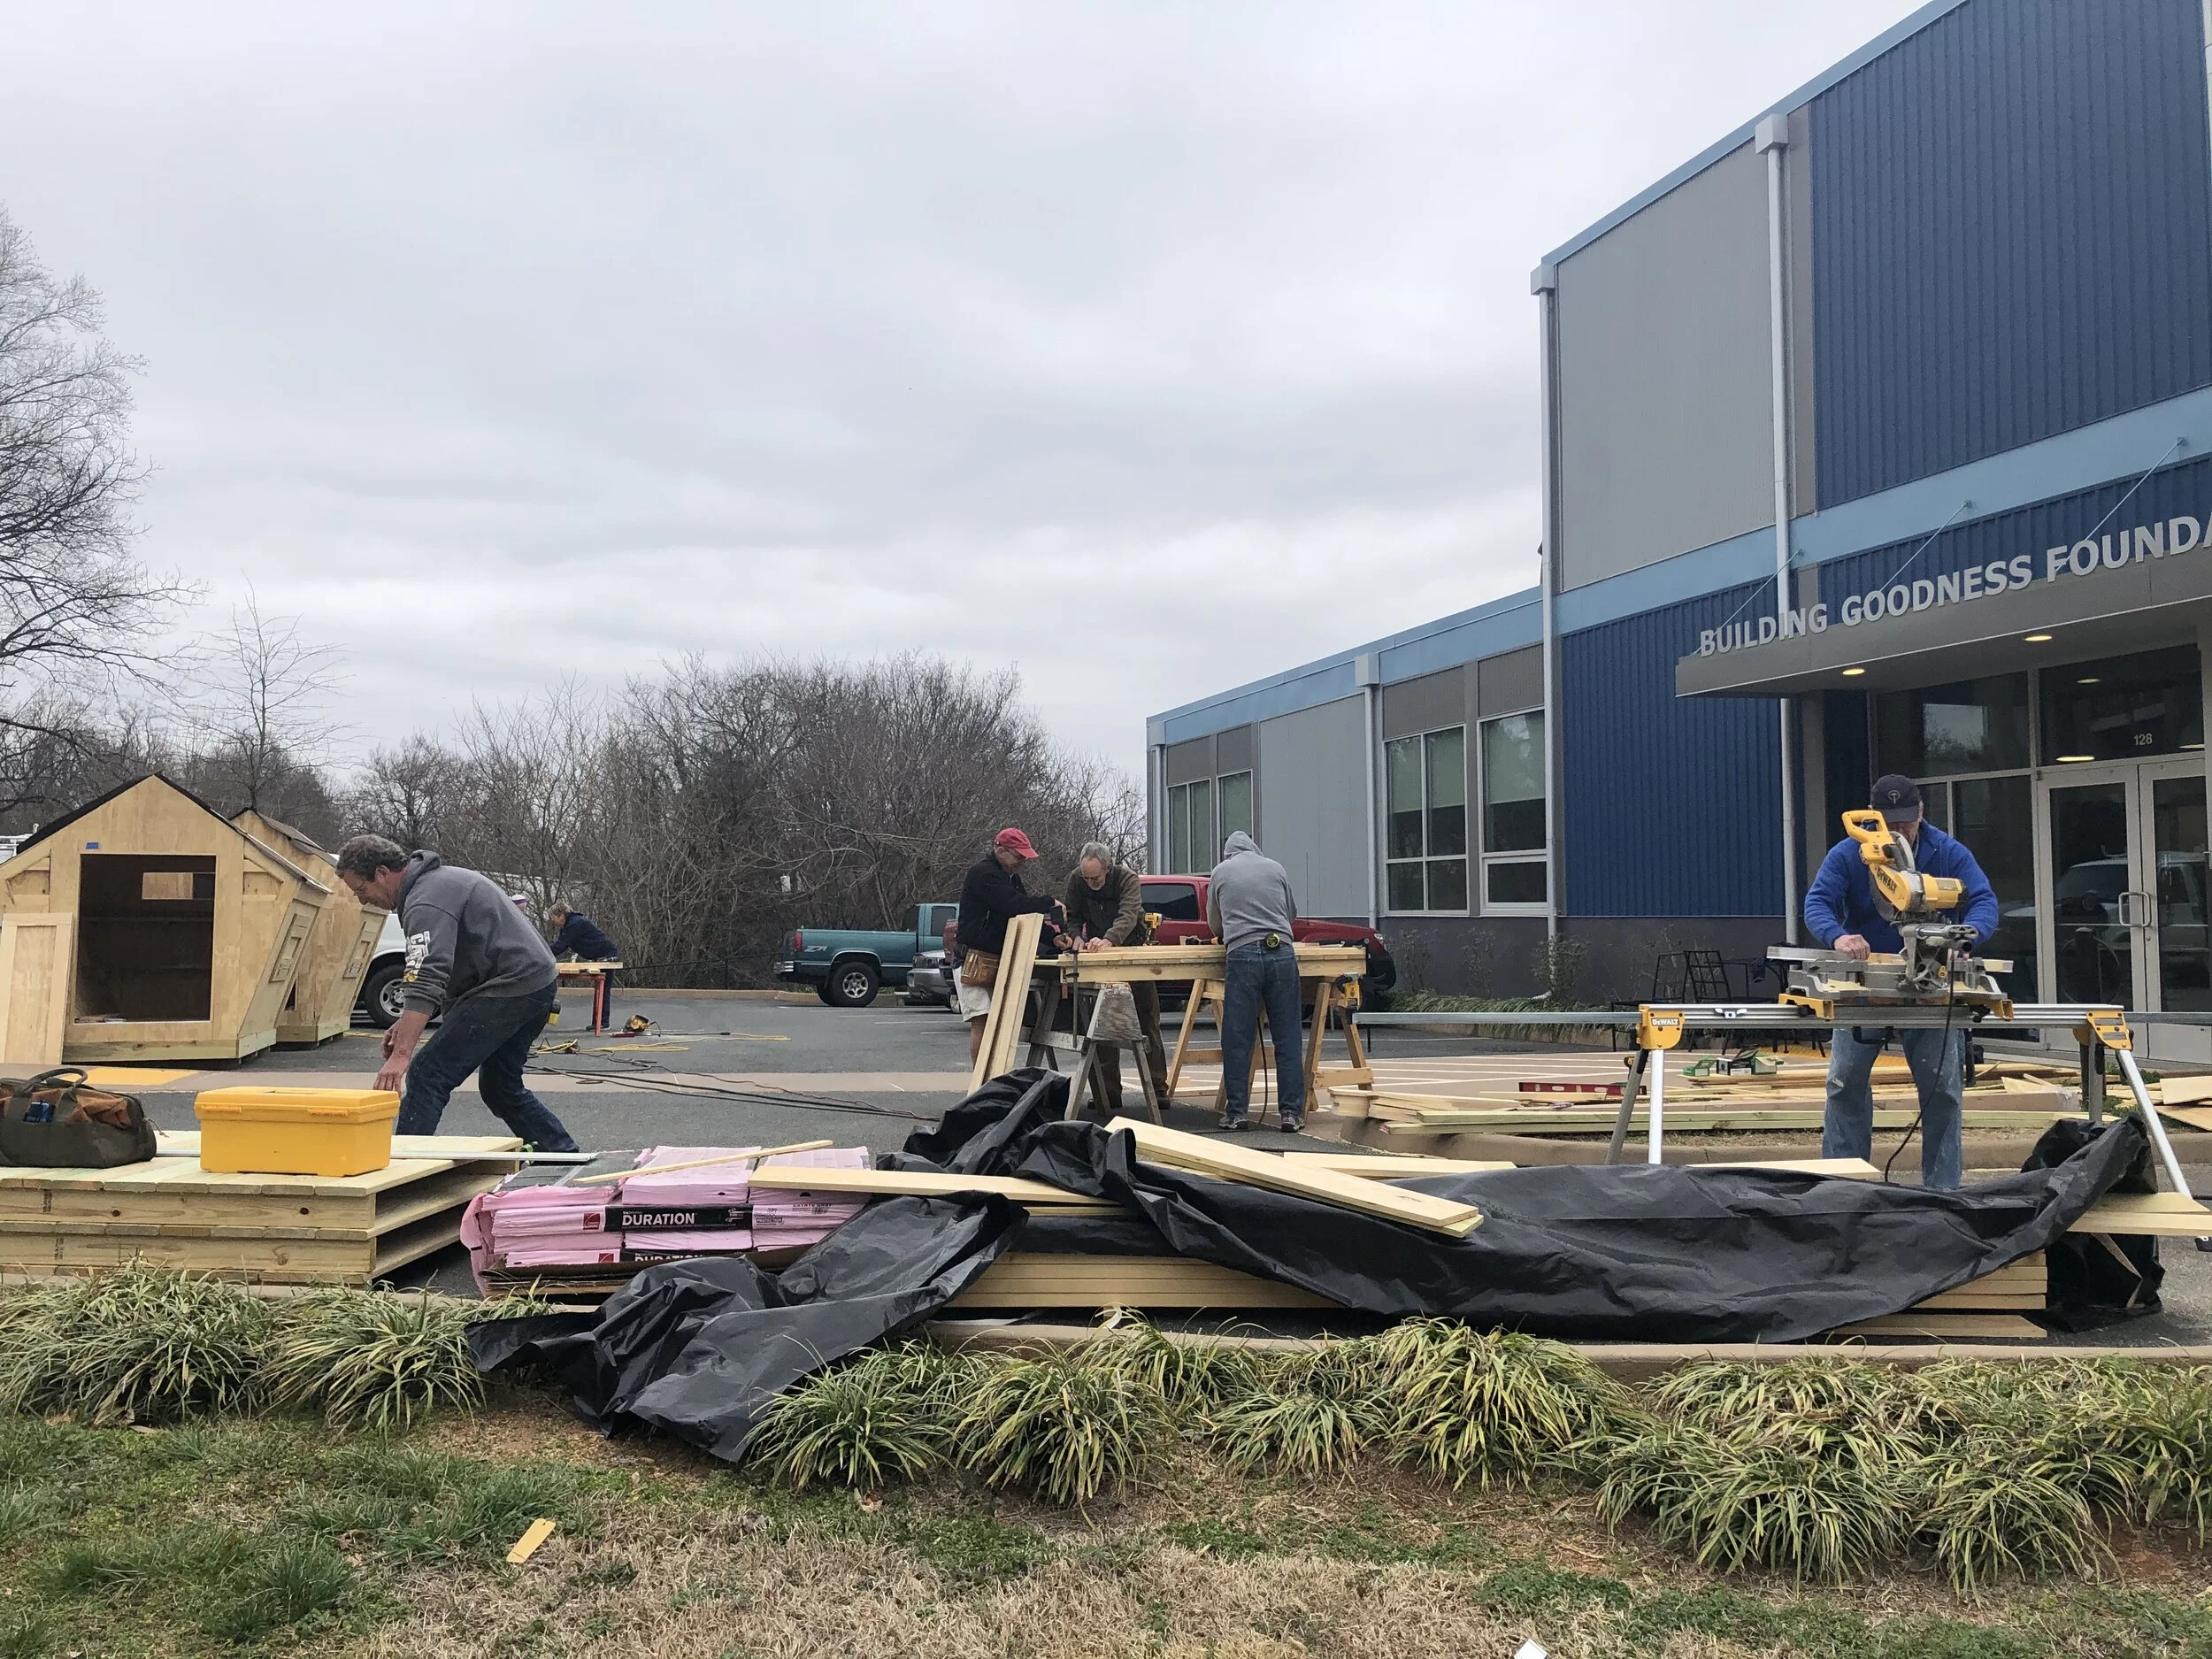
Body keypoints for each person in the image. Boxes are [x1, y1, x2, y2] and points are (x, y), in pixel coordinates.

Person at [1802, 774, 1998, 1190]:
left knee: (1942, 1090)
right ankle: (1844, 1186)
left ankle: (1943, 1192)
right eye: (1889, 823)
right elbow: (1817, 902)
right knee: (1845, 1083)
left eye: (1906, 822)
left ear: (1921, 813)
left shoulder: (1946, 851)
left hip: (1931, 983)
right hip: (1864, 984)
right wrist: (1838, 936)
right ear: (1871, 819)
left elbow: (1983, 900)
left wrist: (1964, 939)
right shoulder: (1849, 854)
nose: (1899, 831)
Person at [334, 834, 580, 1152]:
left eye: (361, 890)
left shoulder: (425, 899)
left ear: (382, 873)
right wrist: (405, 1023)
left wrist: (401, 1054)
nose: (362, 901)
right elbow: (445, 971)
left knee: (427, 1072)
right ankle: (563, 1154)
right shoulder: (436, 884)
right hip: (534, 984)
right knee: (500, 1088)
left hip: (511, 987)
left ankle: (402, 1171)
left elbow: (427, 973)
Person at [1058, 841, 1167, 1112]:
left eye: (1095, 877)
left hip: (1131, 950)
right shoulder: (1077, 879)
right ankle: (1108, 1093)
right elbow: (1072, 916)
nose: (1090, 882)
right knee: (1102, 1022)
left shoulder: (1126, 878)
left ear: (1108, 868)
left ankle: (1158, 1089)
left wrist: (1109, 940)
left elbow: (1129, 914)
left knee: (1146, 1018)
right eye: (1087, 877)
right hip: (1099, 957)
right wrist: (1076, 938)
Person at [1207, 830, 1304, 1132]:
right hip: (1282, 953)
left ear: (1228, 854)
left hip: (1242, 955)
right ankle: (1291, 1114)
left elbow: (1215, 922)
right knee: (1287, 1037)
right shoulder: (1275, 868)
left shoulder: (1221, 873)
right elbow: (1291, 914)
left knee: (1238, 1039)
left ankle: (1237, 1114)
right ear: (1253, 848)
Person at [955, 828, 1065, 1065]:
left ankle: (995, 1075)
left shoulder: (1010, 878)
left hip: (995, 958)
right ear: (1001, 851)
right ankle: (981, 1081)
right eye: (1018, 856)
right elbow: (1013, 906)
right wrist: (1048, 902)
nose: (1022, 862)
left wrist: (1052, 937)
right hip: (972, 959)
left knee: (998, 1022)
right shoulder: (984, 874)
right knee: (982, 1020)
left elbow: (1022, 917)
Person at [548, 902, 620, 1023]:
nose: (552, 920)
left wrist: (543, 954)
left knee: (603, 991)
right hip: (597, 955)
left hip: (606, 955)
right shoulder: (569, 924)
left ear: (561, 916)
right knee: (601, 991)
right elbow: (560, 945)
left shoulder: (574, 924)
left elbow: (560, 946)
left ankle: (603, 1022)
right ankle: (599, 1022)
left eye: (553, 917)